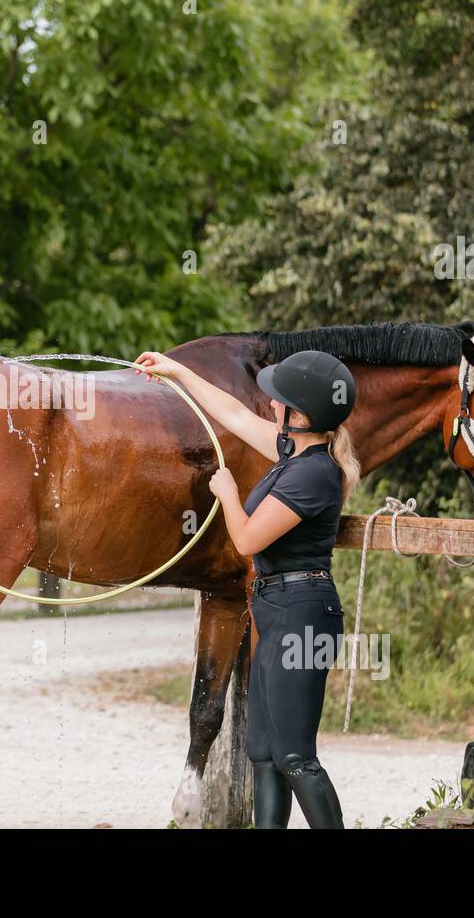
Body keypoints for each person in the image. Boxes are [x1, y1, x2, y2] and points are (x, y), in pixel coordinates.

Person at [133, 348, 359, 828]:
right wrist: (178, 372)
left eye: (279, 401)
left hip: (303, 613)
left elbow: (247, 538)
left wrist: (229, 495)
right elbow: (233, 413)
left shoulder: (313, 474)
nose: (270, 405)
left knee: (295, 755)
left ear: (301, 415)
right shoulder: (289, 452)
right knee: (262, 750)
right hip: (277, 605)